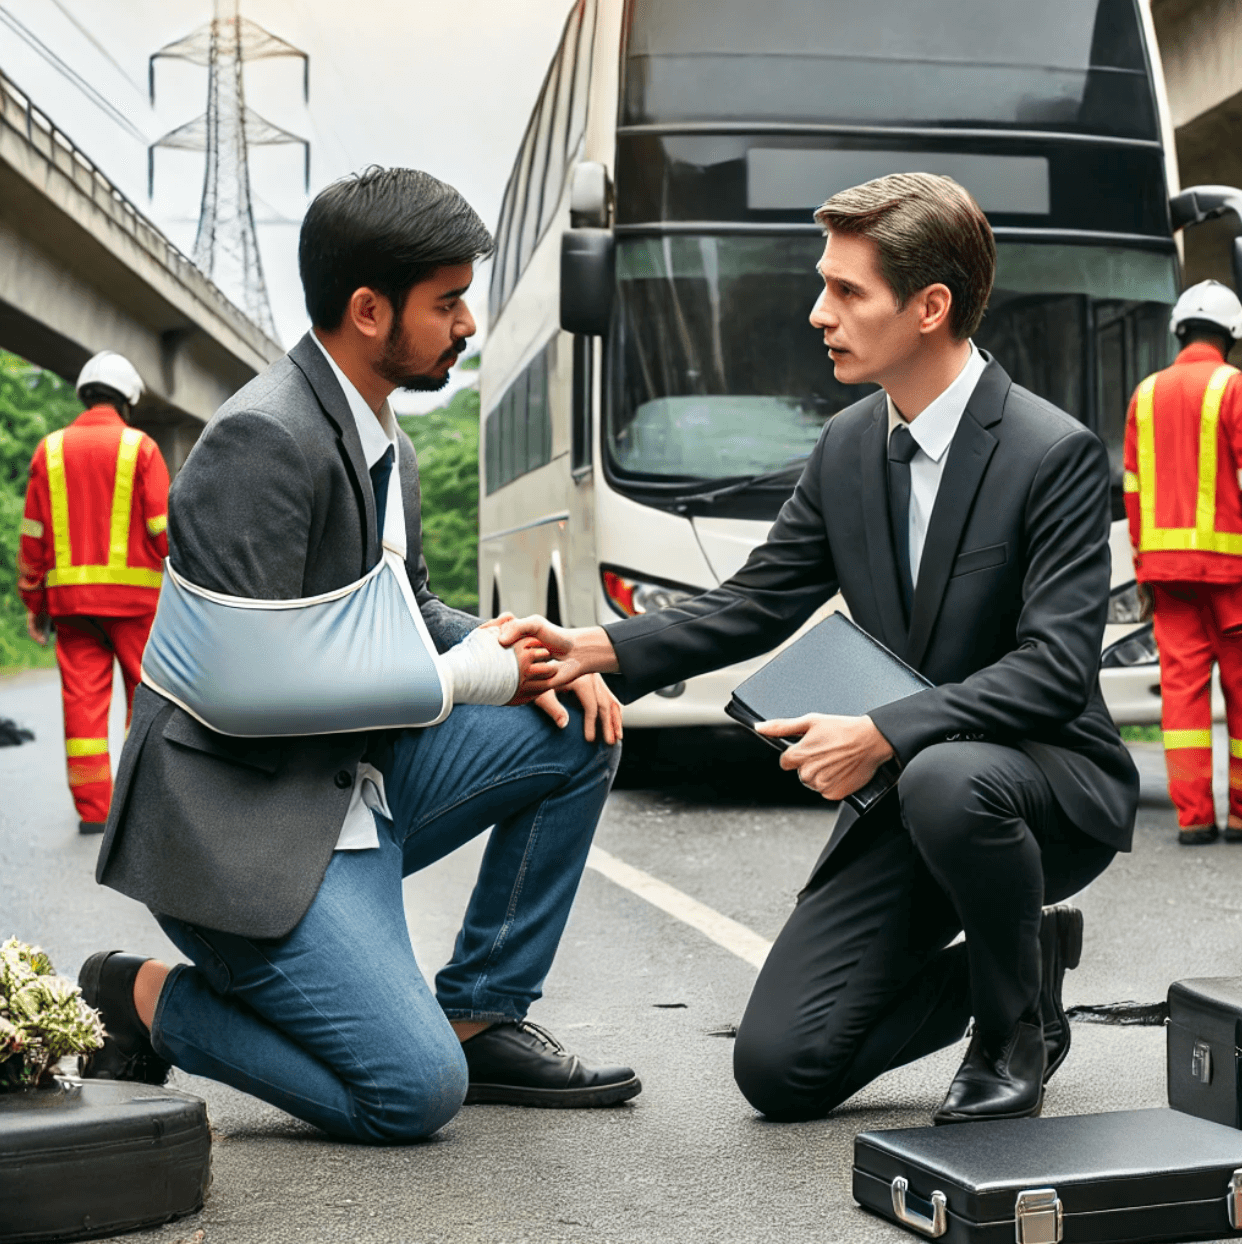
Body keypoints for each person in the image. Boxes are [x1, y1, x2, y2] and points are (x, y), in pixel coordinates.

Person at [500, 173, 1138, 1125]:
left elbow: (1054, 669)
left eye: (846, 290)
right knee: (779, 1070)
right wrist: (593, 646)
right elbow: (758, 601)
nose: (819, 312)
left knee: (948, 779)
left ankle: (1012, 1034)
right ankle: (1024, 964)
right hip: (913, 795)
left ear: (930, 308)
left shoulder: (1053, 453)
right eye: (823, 285)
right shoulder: (846, 446)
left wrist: (881, 732)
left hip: (1039, 790)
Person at [77, 167, 639, 1144]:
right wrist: (469, 676)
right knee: (412, 1094)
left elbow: (404, 606)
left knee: (577, 726)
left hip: (347, 783)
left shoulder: (386, 442)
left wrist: (523, 649)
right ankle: (146, 996)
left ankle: (479, 1014)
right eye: (448, 302)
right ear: (370, 309)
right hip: (242, 825)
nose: (468, 324)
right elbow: (248, 682)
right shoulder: (262, 438)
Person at [17, 352, 169, 834]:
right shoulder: (141, 448)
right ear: (127, 399)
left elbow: (33, 535)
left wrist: (34, 603)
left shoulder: (49, 450)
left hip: (71, 608)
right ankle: (138, 800)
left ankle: (93, 812)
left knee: (82, 707)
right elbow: (163, 531)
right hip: (136, 607)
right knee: (148, 699)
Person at [1123, 280, 1242, 846]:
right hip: (1232, 576)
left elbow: (1133, 490)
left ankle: (1194, 819)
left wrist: (1143, 567)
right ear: (1230, 335)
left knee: (1183, 697)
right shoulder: (1234, 387)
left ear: (1179, 330)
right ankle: (1240, 816)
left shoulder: (1144, 394)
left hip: (1166, 576)